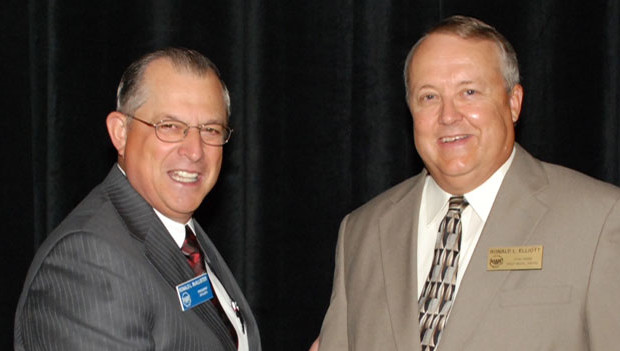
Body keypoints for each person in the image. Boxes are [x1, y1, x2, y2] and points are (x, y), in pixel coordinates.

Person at [316, 15, 620, 350]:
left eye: (470, 92)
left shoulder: (599, 221)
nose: (448, 115)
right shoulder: (362, 233)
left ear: (514, 102)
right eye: (429, 97)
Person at [15, 48, 261, 351]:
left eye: (211, 130)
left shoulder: (182, 237)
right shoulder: (89, 261)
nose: (195, 150)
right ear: (120, 133)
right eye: (170, 126)